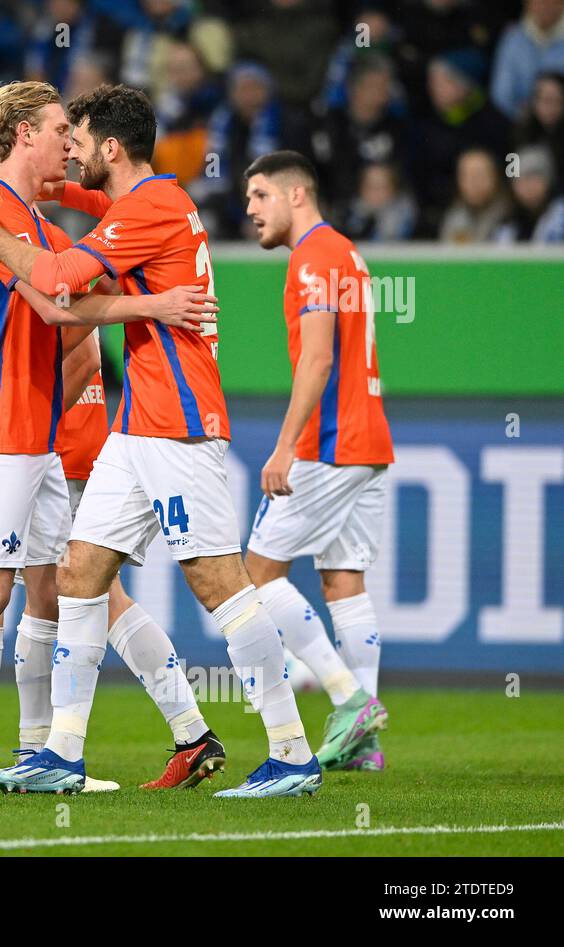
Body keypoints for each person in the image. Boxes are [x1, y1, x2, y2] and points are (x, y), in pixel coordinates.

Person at [0, 84, 320, 799]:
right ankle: (61, 751)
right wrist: (37, 181)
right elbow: (90, 202)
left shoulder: (150, 208)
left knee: (219, 582)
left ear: (111, 148)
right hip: (140, 426)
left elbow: (59, 280)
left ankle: (292, 750)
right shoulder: (151, 200)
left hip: (178, 423)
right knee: (80, 571)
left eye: (80, 140)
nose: (73, 151)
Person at [0, 136, 226, 793]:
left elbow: (77, 348)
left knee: (19, 593)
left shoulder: (30, 243)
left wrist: (37, 429)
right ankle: (140, 736)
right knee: (71, 593)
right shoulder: (8, 241)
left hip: (49, 446)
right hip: (37, 439)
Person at [242, 150, 393, 772]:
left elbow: (319, 357)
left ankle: (347, 697)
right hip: (369, 443)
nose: (249, 209)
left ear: (296, 193)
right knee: (343, 580)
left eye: (259, 196)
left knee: (257, 572)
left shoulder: (311, 258)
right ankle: (365, 743)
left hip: (330, 445)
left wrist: (284, 446)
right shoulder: (346, 253)